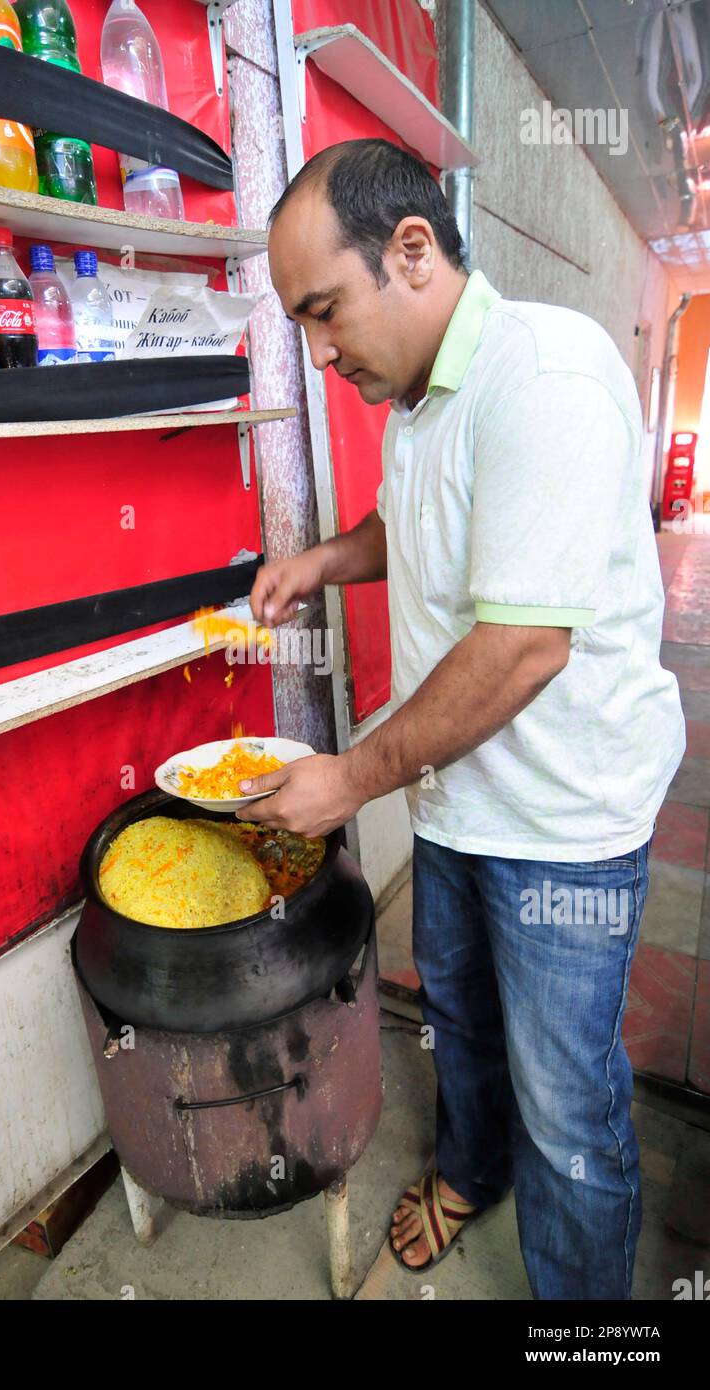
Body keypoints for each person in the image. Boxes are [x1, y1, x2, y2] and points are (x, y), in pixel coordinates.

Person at [240, 138, 685, 1300]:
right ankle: (468, 1172)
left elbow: (521, 644)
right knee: (460, 1024)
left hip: (562, 821)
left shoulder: (543, 376)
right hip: (458, 801)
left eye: (325, 311)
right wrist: (322, 560)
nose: (322, 349)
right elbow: (414, 526)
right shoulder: (417, 403)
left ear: (412, 248)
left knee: (565, 1095)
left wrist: (345, 779)